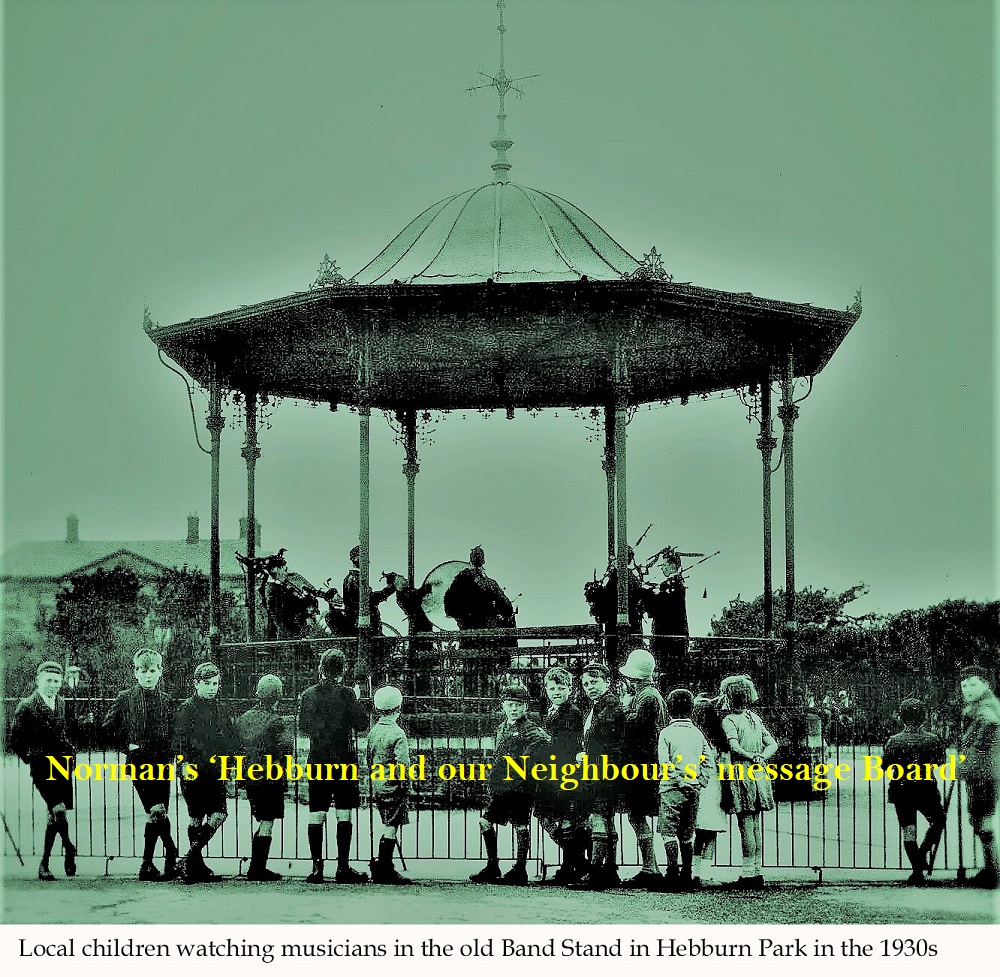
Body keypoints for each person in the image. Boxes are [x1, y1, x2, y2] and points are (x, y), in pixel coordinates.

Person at [103, 649, 180, 881]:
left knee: (159, 813)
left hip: (162, 764)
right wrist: (128, 745)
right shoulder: (125, 698)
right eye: (143, 671)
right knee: (156, 810)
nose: (149, 675)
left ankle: (150, 865)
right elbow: (106, 728)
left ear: (160, 672)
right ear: (135, 672)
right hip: (139, 764)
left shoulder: (166, 700)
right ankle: (170, 855)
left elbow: (175, 733)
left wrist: (172, 753)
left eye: (153, 670)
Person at [298, 648, 370, 884]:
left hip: (318, 758)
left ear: (321, 668)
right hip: (343, 760)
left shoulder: (308, 694)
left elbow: (304, 727)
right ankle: (343, 867)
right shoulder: (348, 694)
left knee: (316, 812)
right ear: (343, 669)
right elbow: (361, 724)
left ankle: (317, 868)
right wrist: (357, 700)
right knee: (343, 812)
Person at [469, 680, 550, 886]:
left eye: (518, 705)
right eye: (509, 704)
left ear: (525, 706)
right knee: (486, 822)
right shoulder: (502, 727)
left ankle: (520, 869)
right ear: (503, 705)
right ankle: (493, 866)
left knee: (520, 825)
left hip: (521, 787)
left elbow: (544, 742)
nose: (513, 709)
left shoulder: (530, 729)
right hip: (503, 787)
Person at [9, 662, 79, 881]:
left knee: (57, 814)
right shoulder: (27, 706)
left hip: (62, 765)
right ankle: (63, 850)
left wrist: (71, 749)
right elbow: (15, 739)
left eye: (57, 681)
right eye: (48, 680)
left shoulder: (62, 703)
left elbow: (68, 731)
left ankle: (50, 860)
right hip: (42, 767)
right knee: (57, 809)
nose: (53, 685)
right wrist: (30, 757)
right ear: (38, 680)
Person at [174, 661, 236, 882]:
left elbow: (229, 739)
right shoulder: (186, 708)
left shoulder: (221, 708)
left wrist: (229, 765)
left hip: (215, 770)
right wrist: (183, 764)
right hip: (192, 770)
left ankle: (188, 859)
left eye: (216, 683)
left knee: (219, 814)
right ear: (196, 683)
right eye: (207, 683)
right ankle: (195, 866)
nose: (212, 687)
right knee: (196, 817)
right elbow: (179, 740)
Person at [569, 662, 624, 890]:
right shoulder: (600, 706)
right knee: (606, 819)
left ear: (607, 682)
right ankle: (609, 870)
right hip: (604, 770)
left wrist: (587, 757)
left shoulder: (609, 708)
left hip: (603, 771)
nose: (589, 687)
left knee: (599, 817)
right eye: (585, 683)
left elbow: (608, 746)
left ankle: (596, 873)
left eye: (594, 682)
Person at [534, 666, 589, 885]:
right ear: (546, 689)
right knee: (551, 818)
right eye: (552, 688)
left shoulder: (572, 712)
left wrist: (546, 739)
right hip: (551, 772)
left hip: (564, 772)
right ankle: (575, 865)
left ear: (570, 689)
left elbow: (568, 744)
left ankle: (576, 866)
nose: (556, 692)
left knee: (564, 820)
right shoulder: (551, 710)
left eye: (561, 688)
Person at [882, 698, 946, 885]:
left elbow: (885, 765)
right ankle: (923, 851)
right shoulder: (932, 739)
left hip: (902, 791)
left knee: (908, 830)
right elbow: (941, 761)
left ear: (902, 717)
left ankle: (916, 868)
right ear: (924, 717)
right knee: (938, 821)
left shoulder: (894, 741)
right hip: (926, 789)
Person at [235, 674, 292, 882]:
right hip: (270, 777)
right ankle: (258, 868)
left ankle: (255, 865)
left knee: (261, 819)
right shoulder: (277, 721)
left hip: (250, 777)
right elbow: (286, 749)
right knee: (268, 821)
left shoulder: (244, 718)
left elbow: (238, 747)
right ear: (278, 697)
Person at [721, 682, 778, 889]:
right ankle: (757, 870)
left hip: (742, 772)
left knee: (744, 824)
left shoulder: (729, 720)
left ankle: (747, 874)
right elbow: (773, 744)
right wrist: (761, 757)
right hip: (759, 772)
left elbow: (734, 746)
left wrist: (750, 756)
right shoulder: (754, 718)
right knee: (755, 825)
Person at [617, 649, 666, 888]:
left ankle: (650, 867)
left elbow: (634, 725)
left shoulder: (646, 697)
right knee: (637, 815)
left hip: (642, 765)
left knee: (636, 814)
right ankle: (652, 866)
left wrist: (623, 707)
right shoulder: (650, 694)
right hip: (645, 763)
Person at [657, 688, 712, 890]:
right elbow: (708, 760)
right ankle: (687, 874)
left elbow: (665, 763)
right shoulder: (698, 734)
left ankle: (672, 873)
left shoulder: (666, 733)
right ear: (691, 710)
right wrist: (699, 781)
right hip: (694, 789)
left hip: (671, 789)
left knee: (668, 831)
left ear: (669, 709)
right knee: (687, 833)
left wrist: (679, 781)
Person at [366, 685, 415, 885]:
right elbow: (403, 764)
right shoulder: (398, 734)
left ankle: (383, 865)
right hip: (394, 786)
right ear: (398, 708)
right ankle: (384, 867)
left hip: (378, 785)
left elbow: (369, 759)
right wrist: (406, 785)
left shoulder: (373, 732)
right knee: (392, 826)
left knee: (388, 823)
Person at [958, 665, 1000, 889]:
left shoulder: (983, 707)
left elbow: (991, 722)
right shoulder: (981, 705)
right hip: (985, 772)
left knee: (982, 821)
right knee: (980, 820)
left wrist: (972, 752)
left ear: (986, 684)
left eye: (973, 684)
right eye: (964, 686)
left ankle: (993, 873)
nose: (968, 689)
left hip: (983, 773)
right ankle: (991, 870)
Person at [691, 692, 730, 886]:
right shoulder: (719, 742)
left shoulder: (694, 739)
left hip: (698, 787)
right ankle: (706, 873)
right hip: (715, 789)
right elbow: (725, 768)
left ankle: (694, 872)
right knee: (711, 833)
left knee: (697, 833)